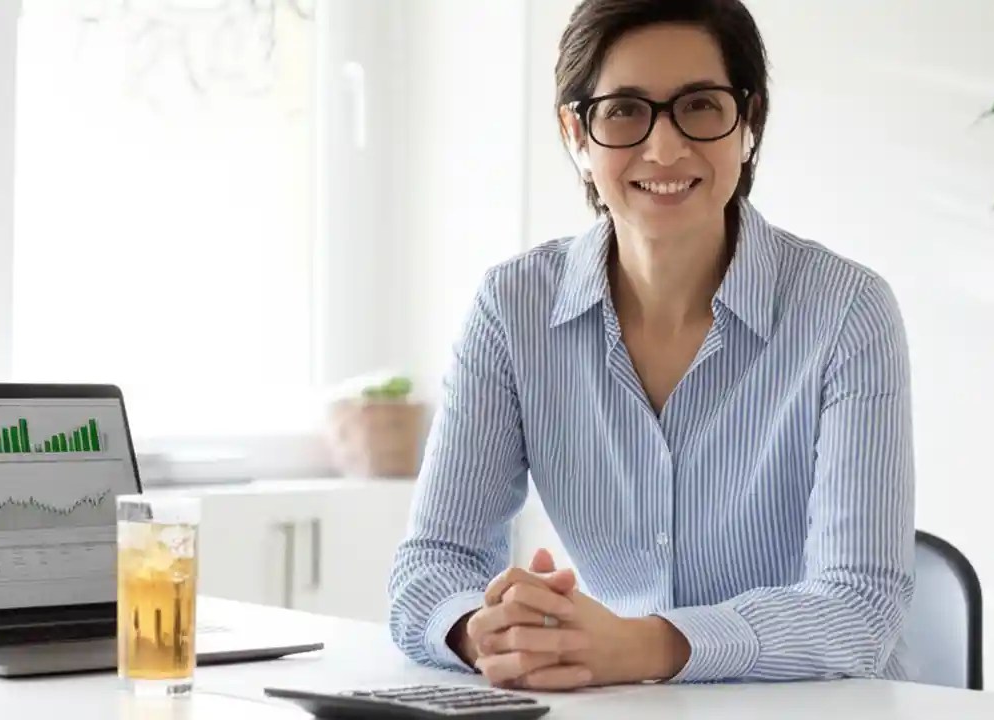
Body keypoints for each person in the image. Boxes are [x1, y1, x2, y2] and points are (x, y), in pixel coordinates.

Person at [387, 0, 915, 691]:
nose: (664, 150)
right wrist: (479, 629)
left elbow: (858, 609)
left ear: (749, 122)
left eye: (700, 105)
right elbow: (431, 564)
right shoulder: (512, 309)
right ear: (576, 132)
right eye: (625, 110)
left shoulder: (848, 312)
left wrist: (649, 647)